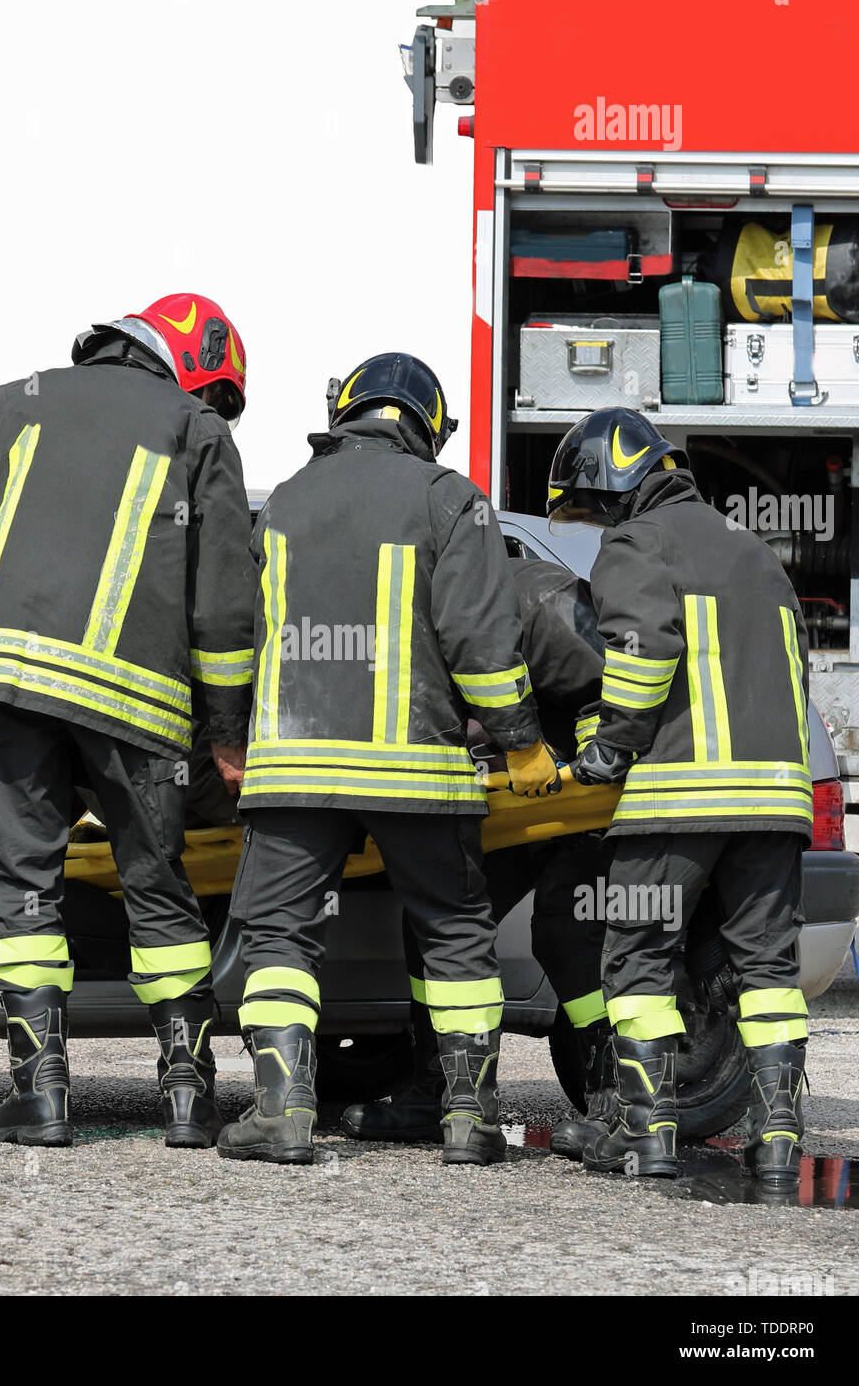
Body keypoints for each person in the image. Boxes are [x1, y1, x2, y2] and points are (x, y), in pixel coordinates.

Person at [0, 294, 256, 1148]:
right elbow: (226, 605)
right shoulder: (197, 432)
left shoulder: (19, 400)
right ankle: (189, 1098)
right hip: (135, 704)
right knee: (158, 890)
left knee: (25, 890)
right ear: (196, 365)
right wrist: (230, 733)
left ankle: (42, 1096)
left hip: (6, 687)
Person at [216, 353, 559, 1167]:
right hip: (416, 773)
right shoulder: (449, 500)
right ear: (426, 425)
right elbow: (481, 644)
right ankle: (469, 1118)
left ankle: (282, 1110)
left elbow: (239, 634)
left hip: (293, 770)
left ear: (347, 412)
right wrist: (522, 743)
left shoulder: (289, 501)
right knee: (455, 931)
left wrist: (229, 736)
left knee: (279, 935)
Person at [548, 406, 811, 1190]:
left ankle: (645, 1130)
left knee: (638, 957)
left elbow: (643, 645)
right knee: (766, 969)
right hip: (774, 803)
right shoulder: (755, 552)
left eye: (591, 509)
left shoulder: (637, 544)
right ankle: (777, 1134)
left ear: (615, 489)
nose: (595, 526)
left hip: (678, 799)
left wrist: (610, 745)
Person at [339, 558, 618, 1155]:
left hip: (591, 798)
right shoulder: (402, 611)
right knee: (439, 922)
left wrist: (583, 772)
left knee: (567, 932)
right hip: (517, 803)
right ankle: (437, 1092)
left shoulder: (542, 602)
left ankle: (614, 1100)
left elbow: (610, 696)